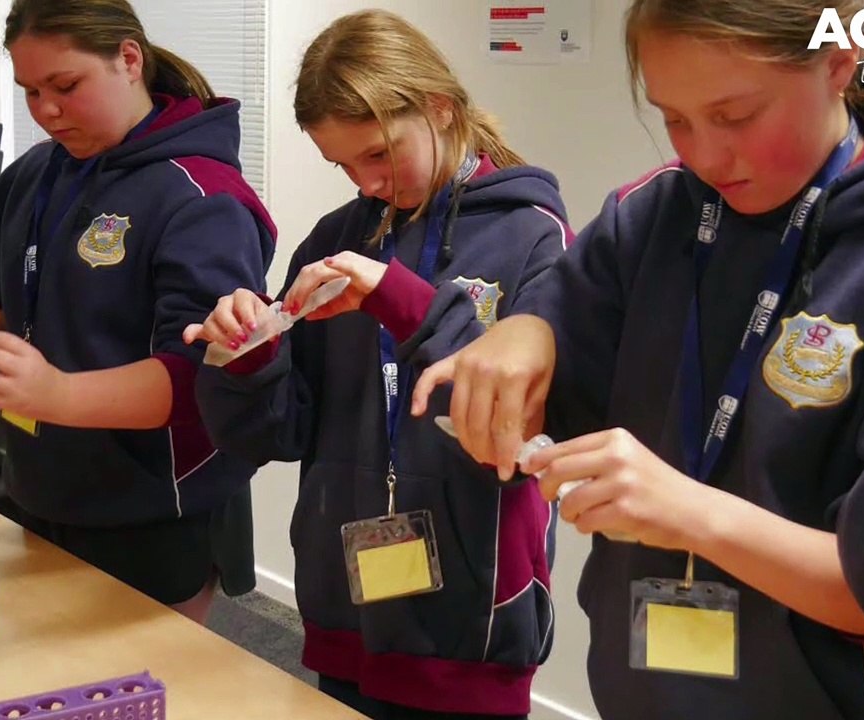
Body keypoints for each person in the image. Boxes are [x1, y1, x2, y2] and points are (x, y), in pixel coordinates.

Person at [406, 1, 864, 718]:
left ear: (839, 64)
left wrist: (688, 513)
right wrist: (528, 330)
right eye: (674, 118)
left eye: (735, 115)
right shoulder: (652, 214)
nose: (704, 157)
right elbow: (555, 380)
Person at [187, 10, 567, 719]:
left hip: (472, 623)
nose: (366, 183)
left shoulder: (533, 237)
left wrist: (401, 300)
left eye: (378, 154)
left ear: (440, 108)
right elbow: (279, 433)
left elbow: (524, 435)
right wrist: (247, 356)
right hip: (347, 605)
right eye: (343, 166)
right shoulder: (335, 242)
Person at [0, 0, 274, 624]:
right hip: (44, 480)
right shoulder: (30, 175)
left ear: (129, 59)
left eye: (66, 86)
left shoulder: (202, 197)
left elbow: (202, 376)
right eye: (30, 91)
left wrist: (56, 393)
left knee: (143, 675)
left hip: (155, 507)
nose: (46, 111)